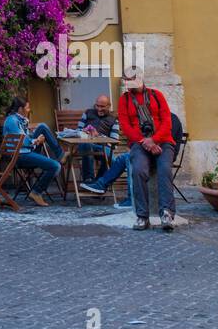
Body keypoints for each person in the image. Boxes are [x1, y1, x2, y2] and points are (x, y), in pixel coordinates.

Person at [118, 69, 176, 231]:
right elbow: (125, 126)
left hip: (163, 141)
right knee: (138, 170)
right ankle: (142, 216)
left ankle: (167, 213)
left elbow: (167, 122)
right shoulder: (124, 100)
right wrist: (146, 142)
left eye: (131, 79)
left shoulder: (157, 95)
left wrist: (154, 140)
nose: (128, 83)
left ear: (140, 78)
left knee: (164, 169)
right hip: (139, 143)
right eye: (126, 80)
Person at [3, 97, 62, 206]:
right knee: (55, 166)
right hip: (19, 156)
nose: (29, 110)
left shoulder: (19, 119)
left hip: (26, 151)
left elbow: (24, 138)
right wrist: (36, 140)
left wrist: (34, 137)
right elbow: (22, 141)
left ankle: (61, 155)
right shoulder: (12, 120)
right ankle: (36, 192)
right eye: (27, 107)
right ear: (20, 109)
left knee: (42, 126)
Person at [74, 95, 120, 183]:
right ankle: (89, 179)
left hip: (102, 148)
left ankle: (98, 183)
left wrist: (99, 136)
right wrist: (84, 132)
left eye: (102, 106)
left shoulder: (114, 120)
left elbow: (114, 143)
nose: (99, 109)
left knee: (113, 161)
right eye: (97, 106)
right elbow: (78, 131)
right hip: (85, 145)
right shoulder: (87, 113)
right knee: (86, 144)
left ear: (109, 106)